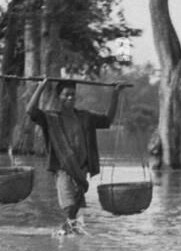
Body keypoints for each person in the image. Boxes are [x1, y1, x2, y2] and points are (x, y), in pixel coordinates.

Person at [25, 77, 124, 235]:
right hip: (63, 168)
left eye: (73, 94)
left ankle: (67, 230)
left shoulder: (85, 117)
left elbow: (107, 120)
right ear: (60, 97)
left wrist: (115, 94)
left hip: (81, 168)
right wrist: (41, 87)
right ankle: (68, 229)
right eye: (66, 95)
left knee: (76, 205)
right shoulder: (51, 118)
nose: (70, 98)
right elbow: (31, 111)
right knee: (69, 204)